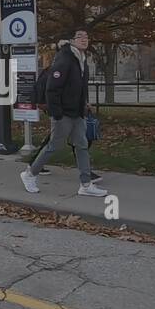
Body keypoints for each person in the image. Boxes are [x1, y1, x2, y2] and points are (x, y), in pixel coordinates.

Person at [20, 29, 107, 197]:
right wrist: (57, 113)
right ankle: (29, 174)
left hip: (77, 112)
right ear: (71, 40)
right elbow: (52, 89)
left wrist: (84, 103)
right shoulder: (65, 58)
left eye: (86, 36)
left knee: (81, 145)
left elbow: (80, 87)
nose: (84, 39)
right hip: (64, 113)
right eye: (79, 36)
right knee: (53, 146)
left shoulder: (81, 59)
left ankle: (86, 184)